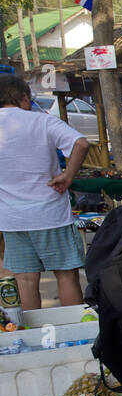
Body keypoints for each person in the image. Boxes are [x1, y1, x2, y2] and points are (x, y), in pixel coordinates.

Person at [0, 75, 90, 312]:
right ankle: (73, 330)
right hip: (51, 214)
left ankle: (36, 337)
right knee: (66, 276)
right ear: (24, 97)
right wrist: (68, 176)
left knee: (25, 280)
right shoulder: (43, 121)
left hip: (12, 219)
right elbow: (81, 144)